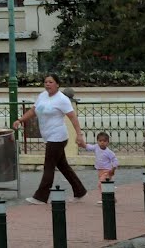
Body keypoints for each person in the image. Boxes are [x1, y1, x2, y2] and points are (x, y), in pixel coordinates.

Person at [12, 73, 87, 204]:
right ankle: (80, 190)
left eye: (51, 82)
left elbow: (72, 117)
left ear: (57, 84)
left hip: (57, 137)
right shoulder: (42, 96)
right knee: (63, 166)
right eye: (46, 82)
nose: (48, 84)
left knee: (49, 166)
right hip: (48, 136)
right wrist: (20, 120)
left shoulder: (62, 99)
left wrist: (79, 135)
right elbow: (33, 110)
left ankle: (41, 196)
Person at [82, 131, 118, 203]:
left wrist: (113, 169)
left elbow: (115, 160)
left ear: (108, 142)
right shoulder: (96, 147)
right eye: (100, 141)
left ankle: (104, 198)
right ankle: (112, 198)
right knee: (106, 185)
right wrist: (83, 144)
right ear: (97, 141)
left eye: (104, 141)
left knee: (101, 184)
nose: (102, 142)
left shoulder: (109, 152)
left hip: (107, 171)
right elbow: (89, 147)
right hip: (100, 171)